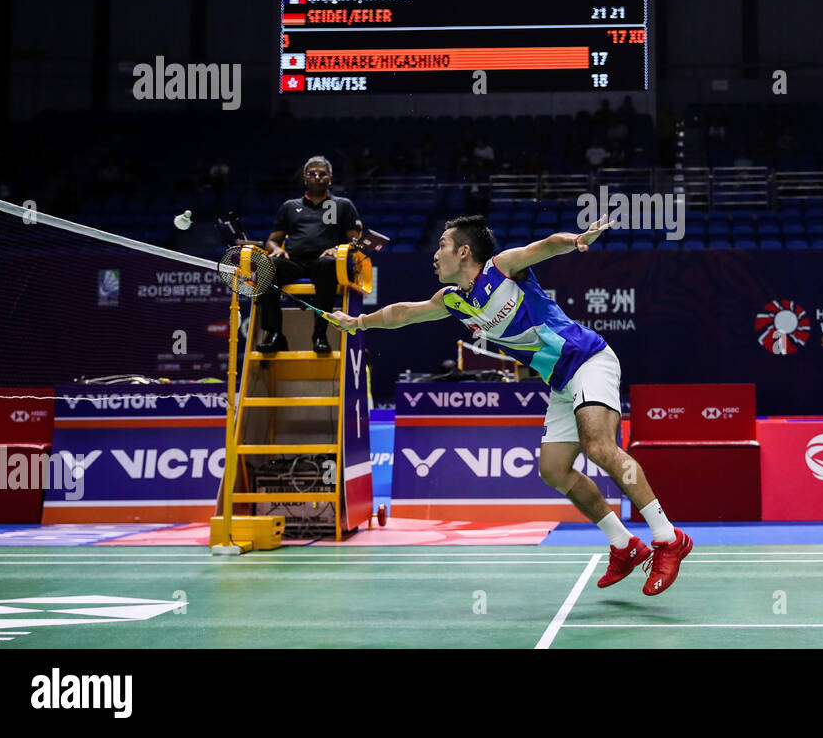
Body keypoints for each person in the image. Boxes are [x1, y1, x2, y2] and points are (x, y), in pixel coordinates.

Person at [331, 214, 693, 596]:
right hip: (560, 380)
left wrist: (575, 241)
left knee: (599, 447)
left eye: (442, 246)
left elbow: (543, 247)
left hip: (587, 359)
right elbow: (404, 313)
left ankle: (668, 537)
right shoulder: (454, 300)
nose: (435, 255)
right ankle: (624, 544)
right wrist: (359, 322)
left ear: (464, 251)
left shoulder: (501, 269)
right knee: (554, 470)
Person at [257, 156, 362, 355]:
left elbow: (355, 242)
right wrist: (276, 249)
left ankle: (320, 335)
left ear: (330, 179)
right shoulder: (289, 206)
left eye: (322, 174)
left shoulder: (343, 205)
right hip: (294, 262)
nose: (317, 177)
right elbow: (272, 240)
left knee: (327, 265)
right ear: (304, 178)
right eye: (312, 173)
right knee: (266, 266)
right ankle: (274, 334)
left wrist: (338, 249)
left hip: (324, 262)